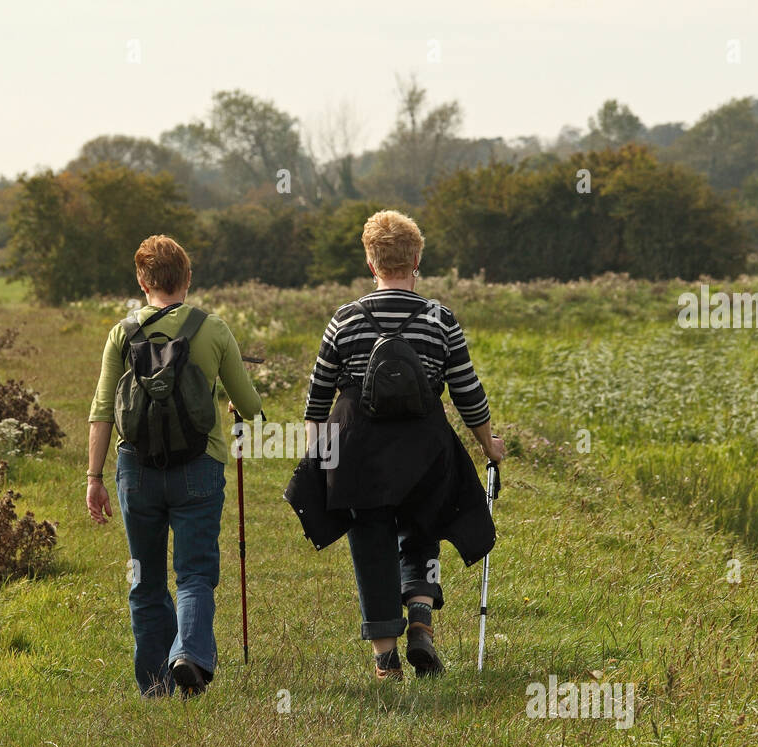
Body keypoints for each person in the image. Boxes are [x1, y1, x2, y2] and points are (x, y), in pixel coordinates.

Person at [287, 210, 503, 680]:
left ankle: (386, 658)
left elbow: (317, 396)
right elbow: (467, 390)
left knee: (370, 541)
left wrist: (317, 458)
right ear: (417, 258)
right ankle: (421, 622)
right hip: (425, 449)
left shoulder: (344, 320)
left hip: (358, 452)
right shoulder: (439, 318)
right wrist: (489, 444)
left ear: (371, 263)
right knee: (423, 525)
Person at [87, 235, 262, 697]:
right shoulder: (213, 328)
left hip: (136, 470)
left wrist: (94, 477)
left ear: (142, 281)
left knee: (145, 577)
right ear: (187, 278)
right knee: (196, 572)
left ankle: (155, 686)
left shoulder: (121, 334)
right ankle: (190, 656)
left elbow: (103, 409)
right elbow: (250, 405)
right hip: (199, 466)